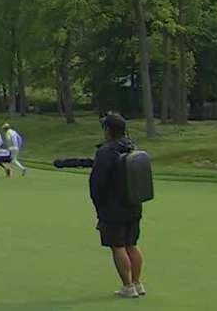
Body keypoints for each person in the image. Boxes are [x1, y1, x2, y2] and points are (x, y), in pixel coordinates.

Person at [90, 112, 145, 298]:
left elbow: (98, 183)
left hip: (113, 207)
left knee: (118, 246)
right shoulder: (131, 147)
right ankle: (137, 283)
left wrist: (99, 206)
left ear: (107, 130)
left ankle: (128, 286)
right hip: (133, 204)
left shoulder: (106, 151)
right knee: (132, 244)